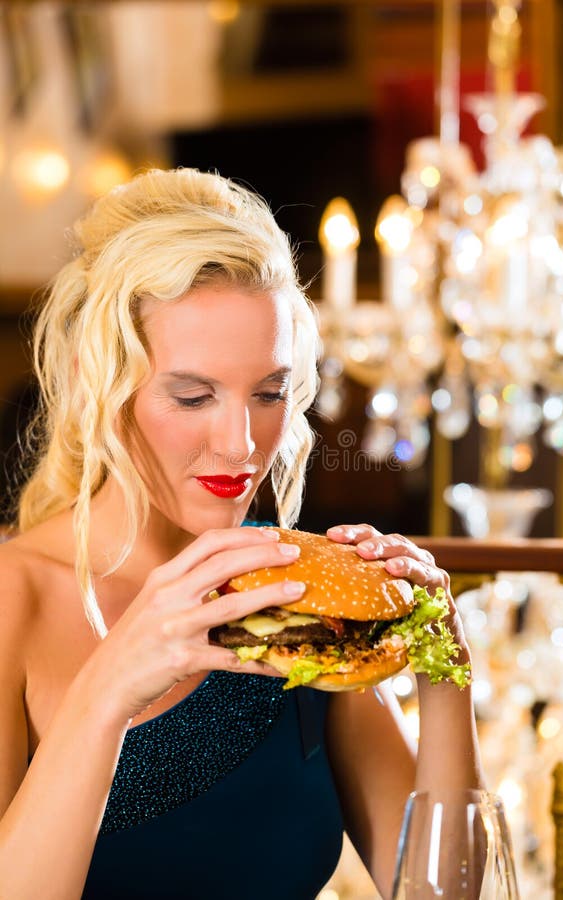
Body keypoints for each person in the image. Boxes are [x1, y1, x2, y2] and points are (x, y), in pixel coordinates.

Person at [0, 168, 482, 900]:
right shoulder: (14, 598)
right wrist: (110, 690)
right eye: (193, 395)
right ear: (93, 383)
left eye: (269, 393)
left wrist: (442, 663)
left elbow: (439, 895)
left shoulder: (304, 599)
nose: (241, 444)